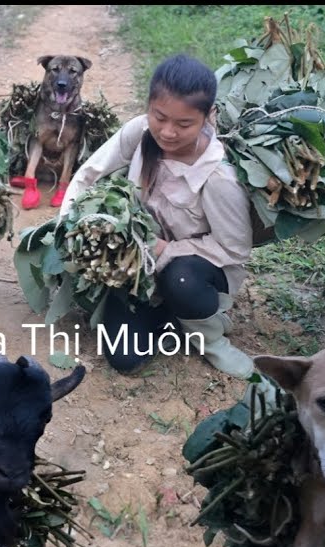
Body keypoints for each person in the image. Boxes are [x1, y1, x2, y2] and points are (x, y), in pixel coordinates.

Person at [58, 54, 256, 379]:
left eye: (183, 124)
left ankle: (211, 336)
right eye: (159, 117)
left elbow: (235, 250)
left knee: (182, 281)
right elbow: (89, 174)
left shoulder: (218, 180)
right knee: (123, 358)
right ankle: (171, 318)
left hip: (197, 272)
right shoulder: (140, 133)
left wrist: (168, 250)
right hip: (143, 267)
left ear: (209, 116)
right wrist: (66, 224)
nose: (167, 132)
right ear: (148, 105)